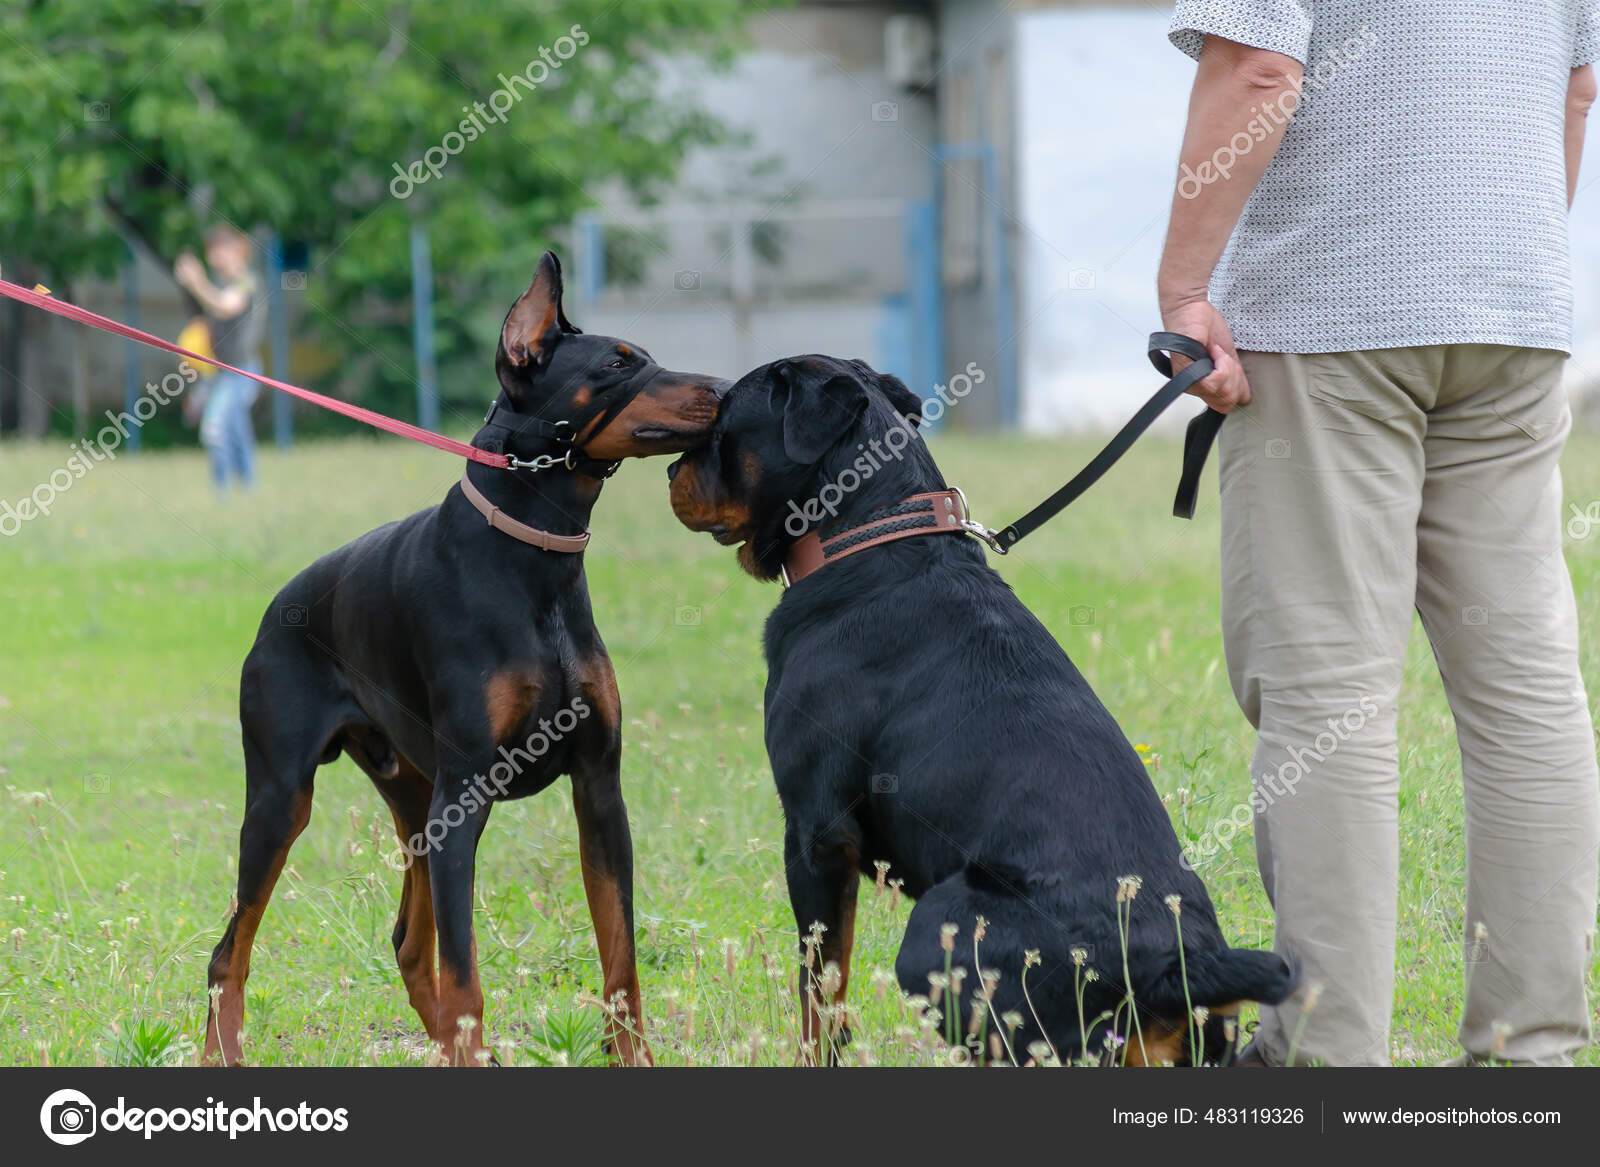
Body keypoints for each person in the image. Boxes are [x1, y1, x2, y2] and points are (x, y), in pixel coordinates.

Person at [1157, 1, 1600, 1065]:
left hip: (1333, 313)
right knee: (1525, 694)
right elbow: (1577, 85)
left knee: (1323, 696)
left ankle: (1326, 1060)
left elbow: (1258, 67)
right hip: (1513, 312)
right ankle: (1530, 1057)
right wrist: (1495, 272)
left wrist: (1182, 289)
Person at [175, 225, 265, 491]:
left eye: (219, 250)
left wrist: (196, 282)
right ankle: (248, 493)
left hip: (241, 371)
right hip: (220, 372)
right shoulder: (219, 284)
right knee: (236, 433)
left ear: (237, 250)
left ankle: (224, 493)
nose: (213, 257)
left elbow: (225, 307)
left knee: (215, 429)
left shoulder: (246, 281)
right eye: (210, 251)